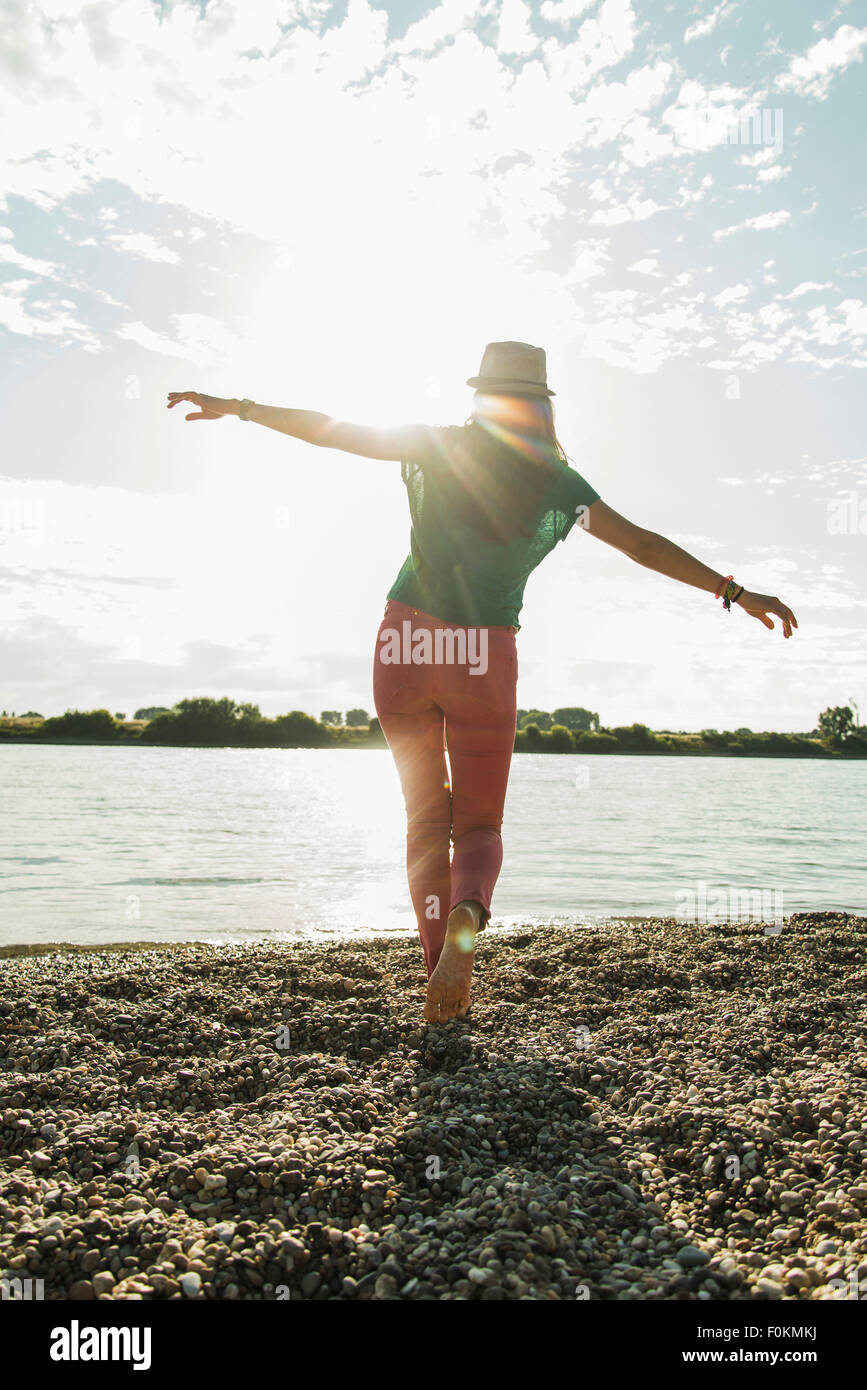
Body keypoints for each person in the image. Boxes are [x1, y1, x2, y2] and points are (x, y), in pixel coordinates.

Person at [168, 340, 798, 1023]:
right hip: (482, 655)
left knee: (422, 823)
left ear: (480, 397)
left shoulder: (435, 444)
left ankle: (437, 971)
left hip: (403, 640)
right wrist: (734, 591)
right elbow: (640, 544)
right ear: (539, 405)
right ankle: (464, 935)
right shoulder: (558, 482)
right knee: (477, 826)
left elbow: (330, 431)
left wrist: (239, 408)